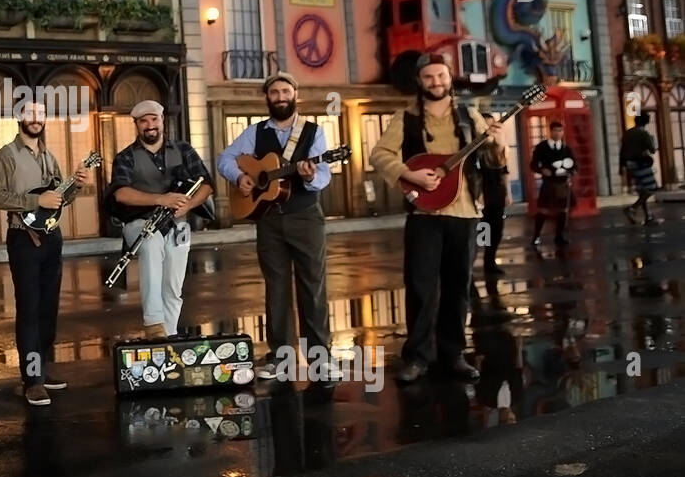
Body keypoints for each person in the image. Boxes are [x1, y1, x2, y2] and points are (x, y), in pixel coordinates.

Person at [370, 53, 504, 384]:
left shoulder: (469, 115)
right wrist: (411, 176)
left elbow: (489, 159)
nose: (436, 82)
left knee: (459, 287)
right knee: (420, 286)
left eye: (441, 76)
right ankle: (417, 358)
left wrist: (496, 142)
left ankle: (453, 354)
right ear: (419, 81)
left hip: (464, 212)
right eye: (429, 77)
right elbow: (380, 155)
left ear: (449, 77)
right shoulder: (407, 118)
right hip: (424, 213)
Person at [217, 73, 340, 382]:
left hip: (305, 216)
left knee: (312, 286)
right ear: (267, 97)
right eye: (275, 92)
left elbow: (324, 173)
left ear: (295, 94)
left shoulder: (313, 132)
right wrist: (239, 177)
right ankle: (281, 356)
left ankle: (320, 358)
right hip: (269, 220)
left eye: (286, 90)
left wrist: (310, 177)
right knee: (277, 287)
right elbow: (225, 158)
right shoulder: (255, 132)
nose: (281, 96)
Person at [0, 101, 90, 406]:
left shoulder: (49, 155)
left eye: (41, 114)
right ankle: (31, 380)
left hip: (52, 239)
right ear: (20, 118)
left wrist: (76, 187)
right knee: (29, 310)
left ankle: (42, 370)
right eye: (30, 114)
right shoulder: (6, 155)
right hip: (23, 239)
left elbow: (58, 201)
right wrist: (36, 202)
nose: (36, 119)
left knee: (49, 310)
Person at [108, 100, 214, 339]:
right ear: (136, 124)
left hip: (177, 224)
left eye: (154, 119)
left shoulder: (183, 149)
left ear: (162, 121)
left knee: (173, 284)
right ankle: (154, 323)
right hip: (139, 224)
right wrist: (160, 199)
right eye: (144, 121)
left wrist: (189, 203)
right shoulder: (126, 157)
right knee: (152, 243)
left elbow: (206, 185)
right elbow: (121, 193)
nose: (150, 125)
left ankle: (170, 333)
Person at [530, 120, 576, 246]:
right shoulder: (541, 147)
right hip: (549, 182)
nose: (558, 133)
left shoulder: (566, 148)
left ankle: (559, 236)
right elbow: (533, 164)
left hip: (562, 183)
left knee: (563, 211)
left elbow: (574, 165)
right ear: (550, 131)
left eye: (560, 131)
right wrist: (541, 170)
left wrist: (570, 173)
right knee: (543, 210)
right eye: (555, 130)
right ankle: (536, 236)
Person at [479, 122, 509, 276]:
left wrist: (508, 193)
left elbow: (505, 172)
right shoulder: (478, 151)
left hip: (497, 192)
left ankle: (489, 260)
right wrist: (478, 194)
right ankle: (474, 262)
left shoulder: (498, 151)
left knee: (497, 229)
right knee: (483, 230)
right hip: (482, 192)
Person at [620, 113, 662, 224]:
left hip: (630, 164)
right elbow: (652, 149)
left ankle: (648, 216)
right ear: (646, 122)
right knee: (651, 188)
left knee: (642, 189)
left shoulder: (627, 133)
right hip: (641, 163)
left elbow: (622, 151)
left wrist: (621, 166)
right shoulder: (643, 133)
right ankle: (632, 208)